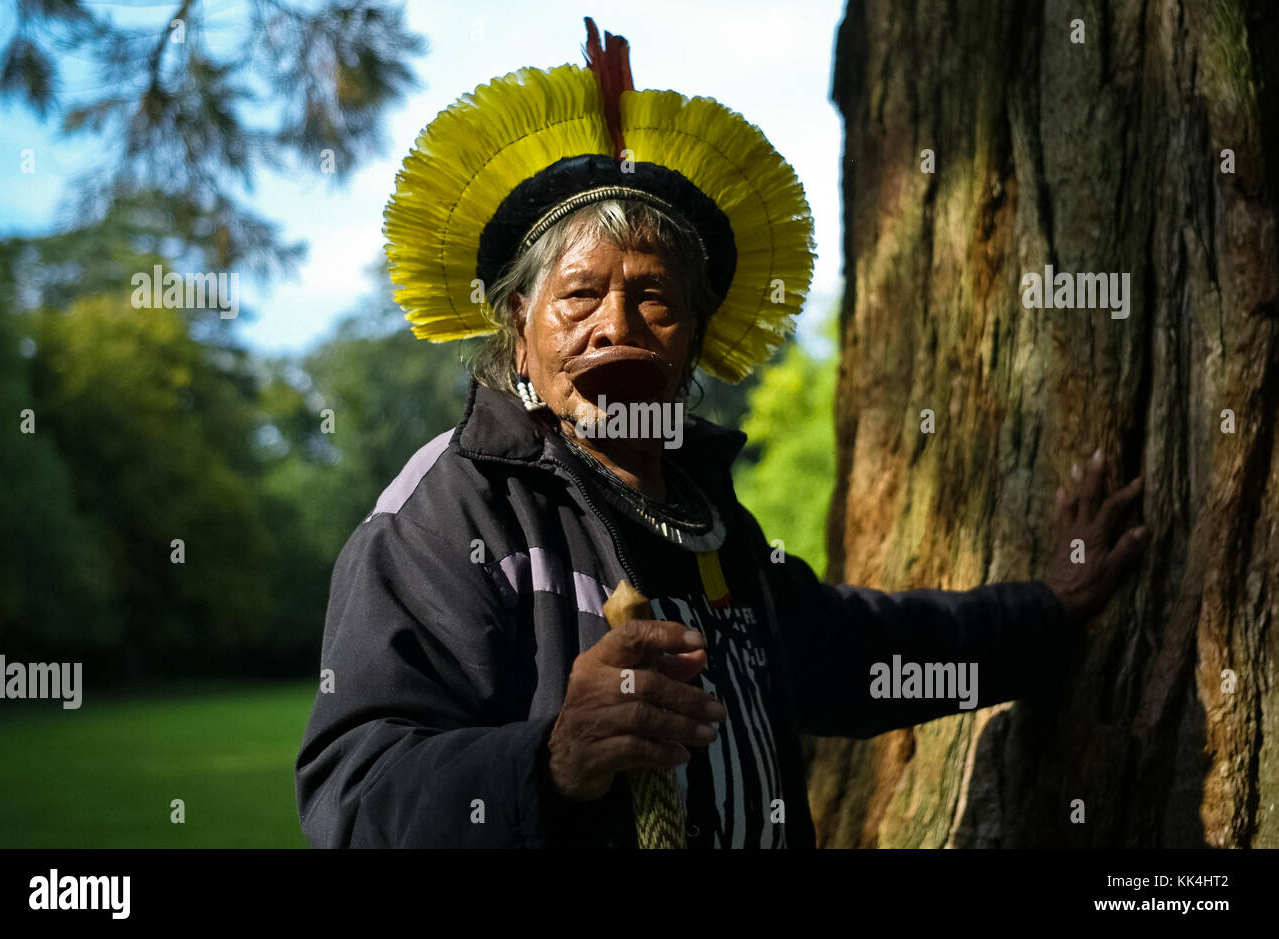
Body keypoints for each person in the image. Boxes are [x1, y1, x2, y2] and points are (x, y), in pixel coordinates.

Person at [294, 20, 1146, 849]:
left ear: (695, 335)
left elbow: (863, 650)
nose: (616, 326)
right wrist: (551, 757)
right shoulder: (451, 510)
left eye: (655, 297)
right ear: (521, 326)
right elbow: (353, 794)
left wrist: (1051, 607)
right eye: (580, 295)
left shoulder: (710, 525)